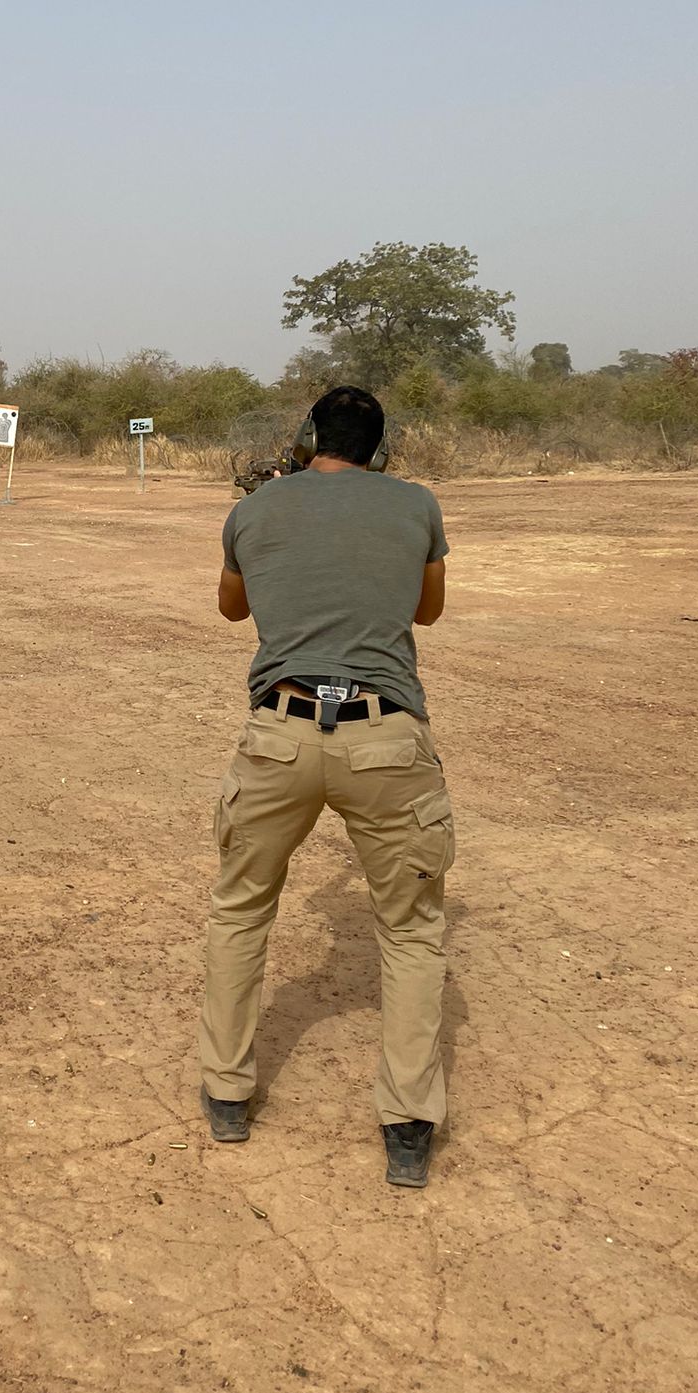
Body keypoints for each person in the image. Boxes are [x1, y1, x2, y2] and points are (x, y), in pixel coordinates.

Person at [198, 385, 455, 1188]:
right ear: (379, 445)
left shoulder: (257, 509)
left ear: (311, 437)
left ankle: (227, 1093)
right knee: (411, 932)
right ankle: (408, 1123)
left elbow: (231, 609)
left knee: (241, 909)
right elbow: (429, 610)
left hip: (280, 730)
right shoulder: (415, 505)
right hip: (385, 735)